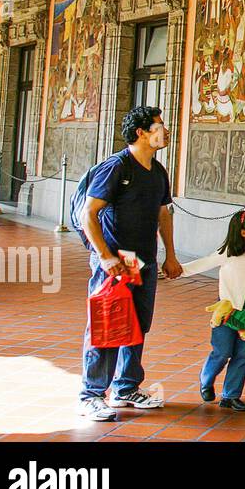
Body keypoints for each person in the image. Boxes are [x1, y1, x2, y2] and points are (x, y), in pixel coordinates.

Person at [78, 105, 183, 423]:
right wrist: (106, 257)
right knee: (105, 326)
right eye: (159, 125)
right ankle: (91, 395)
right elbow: (89, 215)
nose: (165, 130)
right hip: (116, 263)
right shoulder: (116, 167)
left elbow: (163, 214)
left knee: (137, 325)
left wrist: (171, 255)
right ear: (141, 132)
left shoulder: (158, 171)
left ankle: (125, 388)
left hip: (144, 261)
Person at [182, 209, 245, 411]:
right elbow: (202, 263)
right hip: (227, 311)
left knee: (243, 355)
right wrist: (176, 270)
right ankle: (206, 379)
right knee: (222, 352)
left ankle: (231, 395)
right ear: (243, 232)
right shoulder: (229, 252)